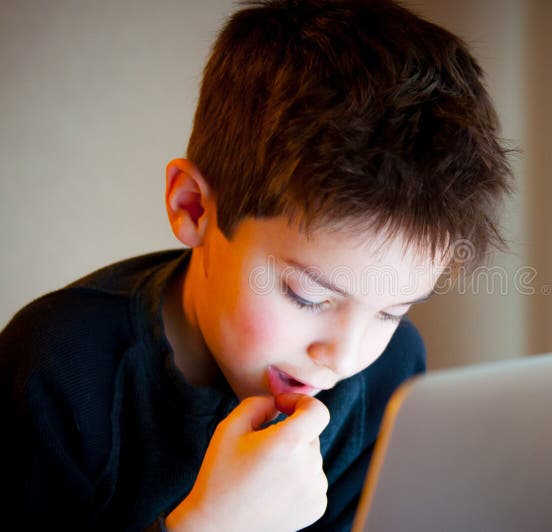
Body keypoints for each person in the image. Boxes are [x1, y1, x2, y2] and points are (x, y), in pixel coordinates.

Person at [0, 0, 512, 530]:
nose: (343, 357)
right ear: (193, 207)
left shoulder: (389, 369)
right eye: (307, 296)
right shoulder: (59, 369)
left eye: (390, 312)